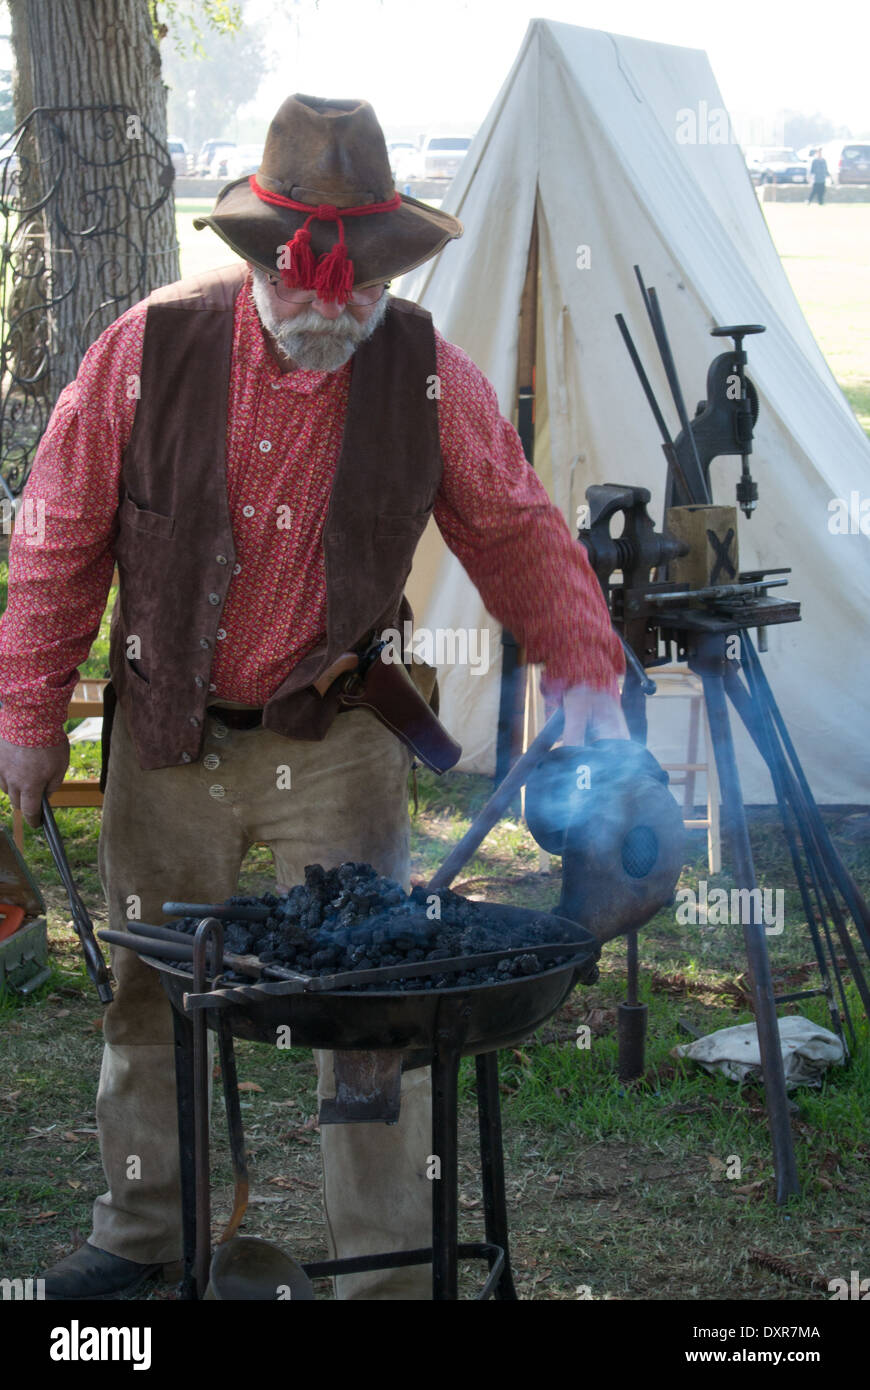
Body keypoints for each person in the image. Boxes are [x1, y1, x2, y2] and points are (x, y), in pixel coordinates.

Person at [0, 93, 627, 1301]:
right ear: (261, 263)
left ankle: (386, 1275)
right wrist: (29, 717)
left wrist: (589, 672)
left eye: (365, 283)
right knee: (149, 994)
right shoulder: (145, 350)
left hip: (338, 739)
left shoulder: (422, 371)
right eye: (317, 282)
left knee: (376, 1013)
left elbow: (515, 528)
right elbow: (59, 537)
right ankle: (139, 1240)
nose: (340, 308)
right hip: (169, 733)